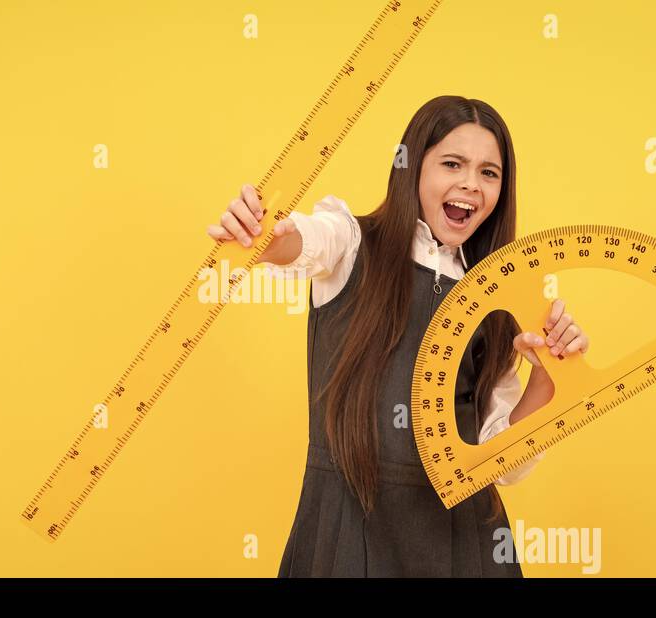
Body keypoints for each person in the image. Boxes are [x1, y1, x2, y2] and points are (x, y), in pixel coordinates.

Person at [207, 96, 591, 577]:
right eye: (453, 163)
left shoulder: (497, 299)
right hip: (348, 527)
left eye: (489, 173)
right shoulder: (350, 244)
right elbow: (298, 241)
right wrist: (260, 235)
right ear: (412, 168)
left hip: (464, 540)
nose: (471, 184)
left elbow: (504, 466)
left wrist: (545, 379)